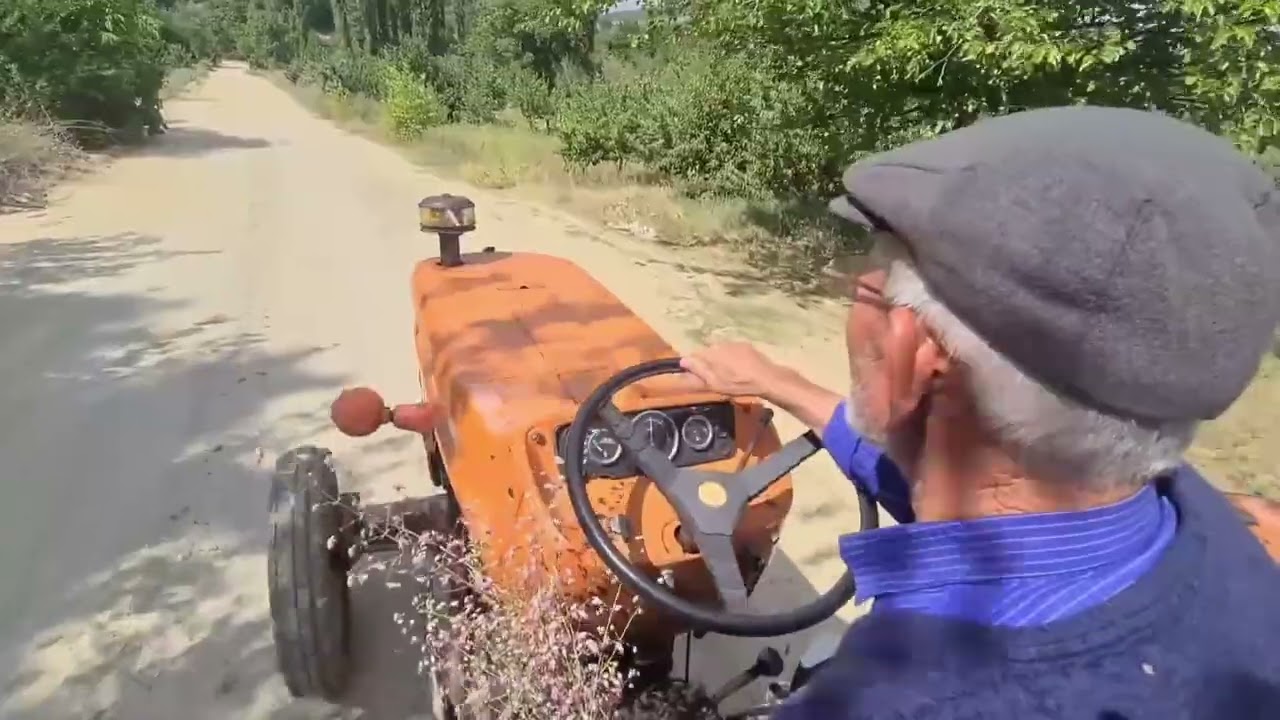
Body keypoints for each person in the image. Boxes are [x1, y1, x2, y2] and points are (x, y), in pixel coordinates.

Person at [675, 106, 1280, 719]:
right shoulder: (1206, 527)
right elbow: (951, 481)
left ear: (911, 355)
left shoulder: (887, 704)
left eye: (863, 290)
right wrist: (775, 382)